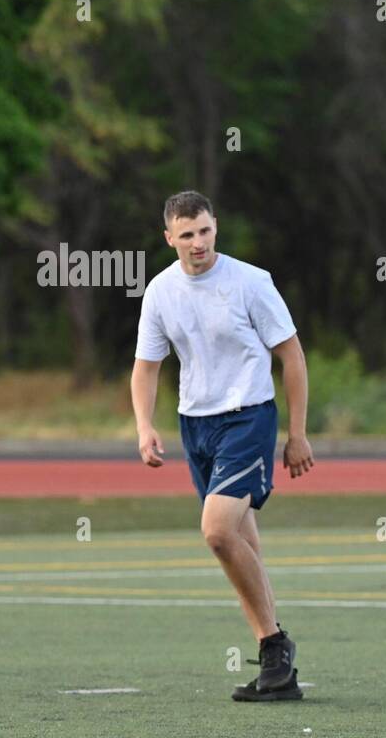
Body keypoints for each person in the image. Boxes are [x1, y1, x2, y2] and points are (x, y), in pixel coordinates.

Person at [131, 190, 314, 702]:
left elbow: (292, 356)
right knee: (242, 545)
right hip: (196, 426)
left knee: (215, 532)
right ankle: (277, 670)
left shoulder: (251, 282)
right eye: (186, 235)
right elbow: (147, 366)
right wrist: (145, 426)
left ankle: (276, 645)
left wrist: (297, 433)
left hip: (249, 419)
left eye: (205, 231)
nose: (198, 243)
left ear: (216, 227)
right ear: (169, 238)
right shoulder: (161, 292)